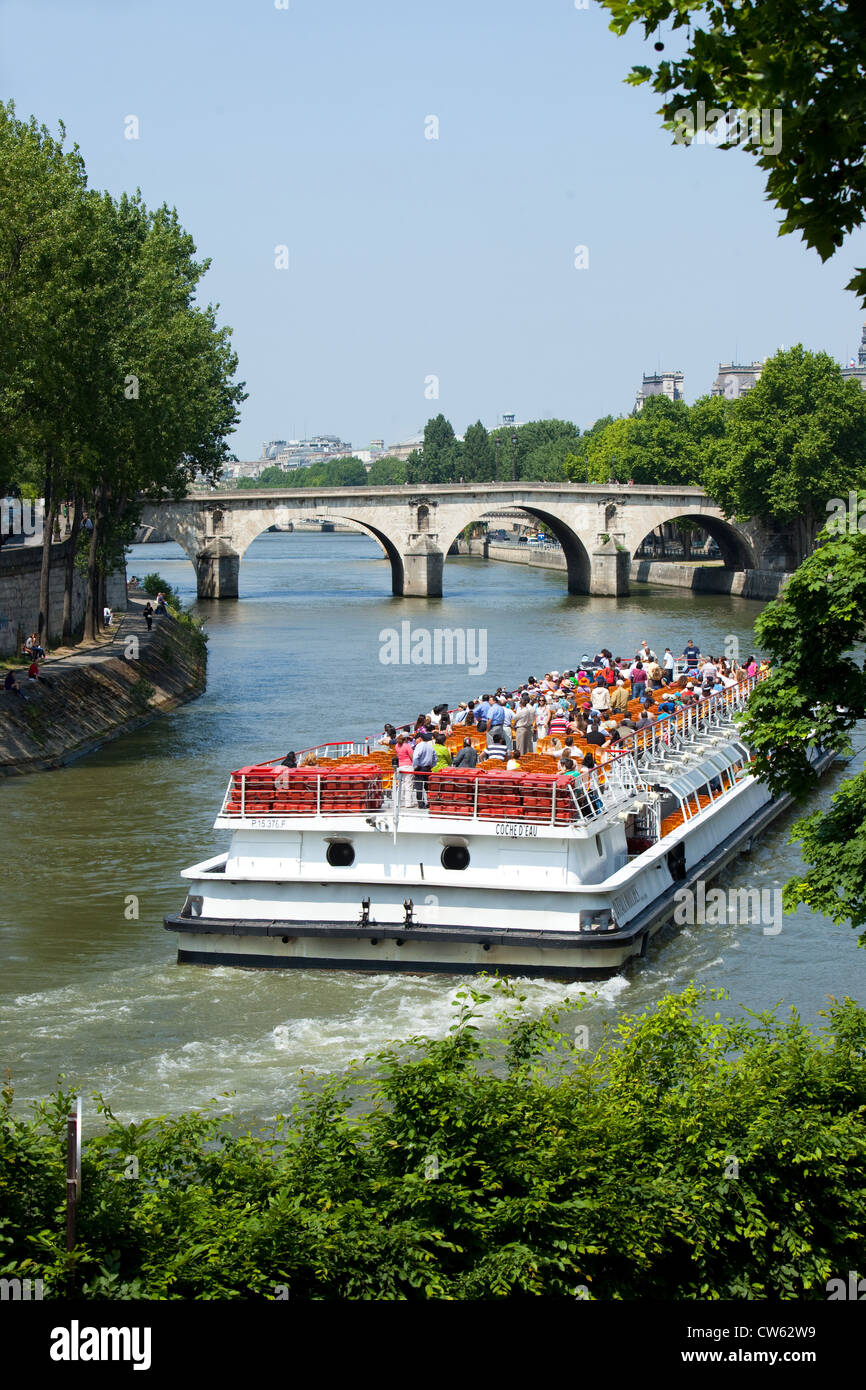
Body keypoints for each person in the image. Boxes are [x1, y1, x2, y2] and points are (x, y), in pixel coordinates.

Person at [412, 730, 436, 806]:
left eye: (416, 739)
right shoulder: (429, 746)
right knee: (427, 787)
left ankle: (421, 804)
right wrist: (432, 765)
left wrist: (415, 767)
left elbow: (415, 757)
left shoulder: (419, 746)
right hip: (428, 768)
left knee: (419, 787)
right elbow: (435, 758)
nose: (415, 741)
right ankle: (429, 802)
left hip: (420, 768)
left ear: (419, 738)